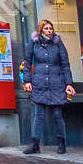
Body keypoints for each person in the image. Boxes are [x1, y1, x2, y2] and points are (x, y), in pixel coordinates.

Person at [21, 19, 76, 155]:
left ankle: (62, 143)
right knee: (38, 114)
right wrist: (27, 81)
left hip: (56, 82)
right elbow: (27, 63)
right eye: (46, 28)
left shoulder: (58, 44)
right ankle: (35, 145)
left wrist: (68, 83)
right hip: (39, 82)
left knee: (58, 114)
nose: (49, 31)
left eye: (50, 28)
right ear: (41, 30)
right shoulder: (34, 44)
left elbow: (65, 64)